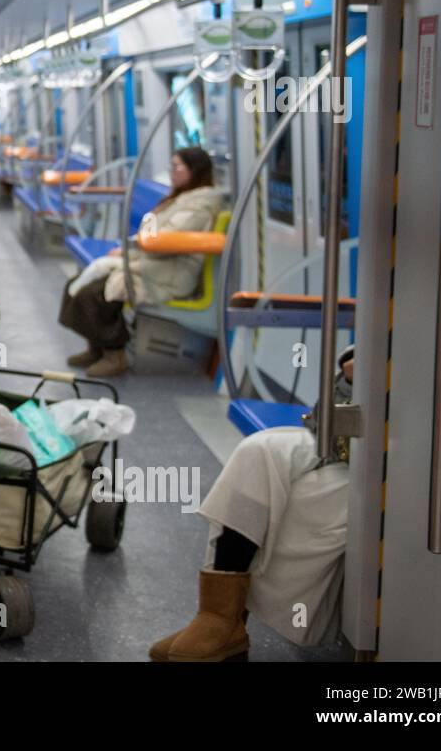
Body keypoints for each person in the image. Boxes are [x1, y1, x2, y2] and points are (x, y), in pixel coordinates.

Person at [149, 347, 355, 662]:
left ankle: (225, 626)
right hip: (338, 440)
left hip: (389, 462)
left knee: (300, 501)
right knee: (257, 450)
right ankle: (218, 618)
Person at [57, 146, 223, 378]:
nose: (172, 171)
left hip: (169, 272)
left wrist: (129, 252)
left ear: (195, 170)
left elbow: (166, 240)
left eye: (177, 166)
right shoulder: (183, 198)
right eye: (171, 166)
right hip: (154, 263)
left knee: (94, 293)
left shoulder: (199, 206)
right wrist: (129, 250)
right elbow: (156, 237)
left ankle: (115, 355)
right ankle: (96, 346)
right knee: (75, 283)